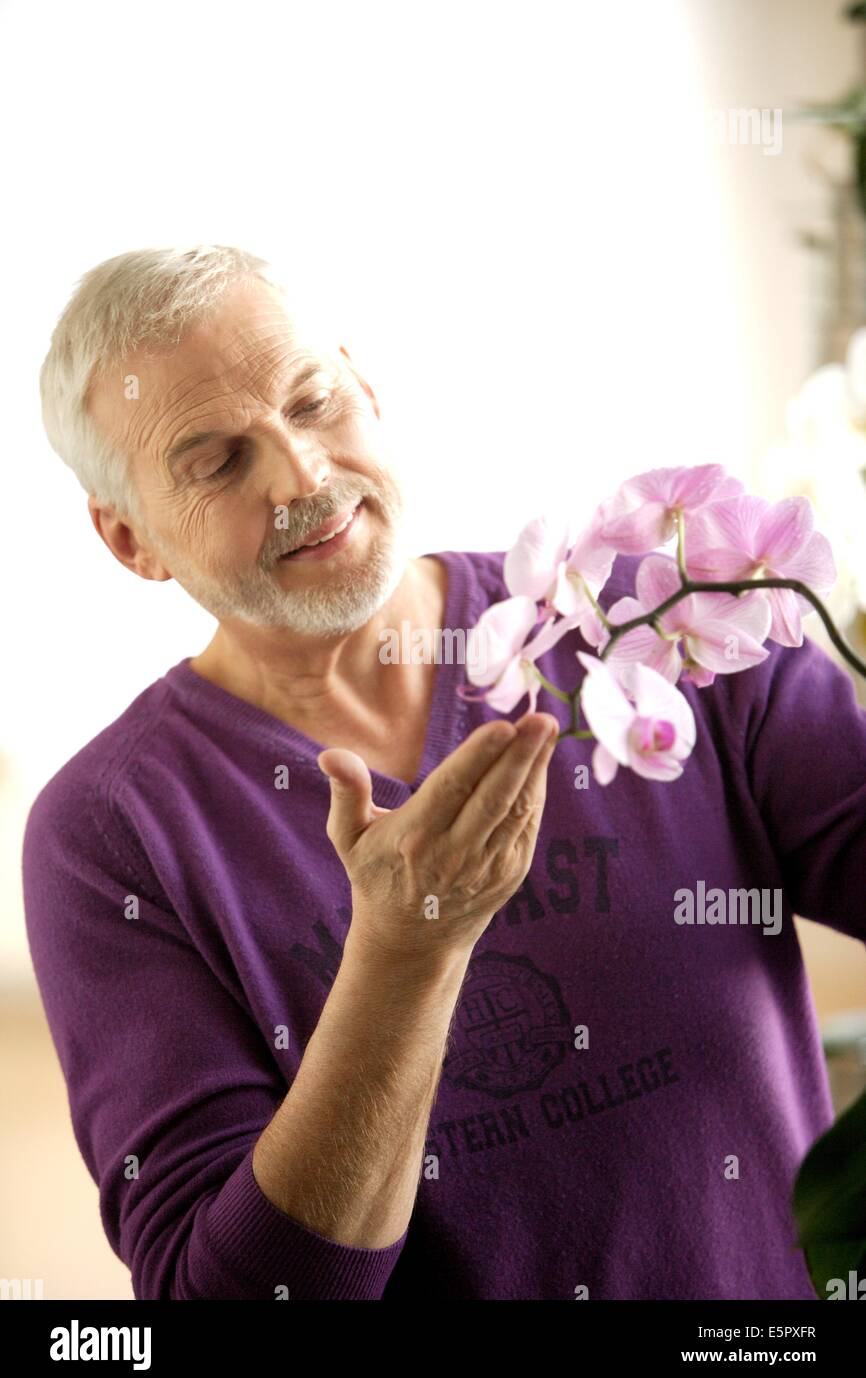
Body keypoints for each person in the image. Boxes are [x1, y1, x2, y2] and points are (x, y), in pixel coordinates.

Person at [23, 245, 866, 1300]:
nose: (301, 476)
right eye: (218, 461)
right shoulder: (110, 835)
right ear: (130, 540)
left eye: (313, 401)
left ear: (365, 389)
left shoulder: (649, 613)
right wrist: (400, 957)